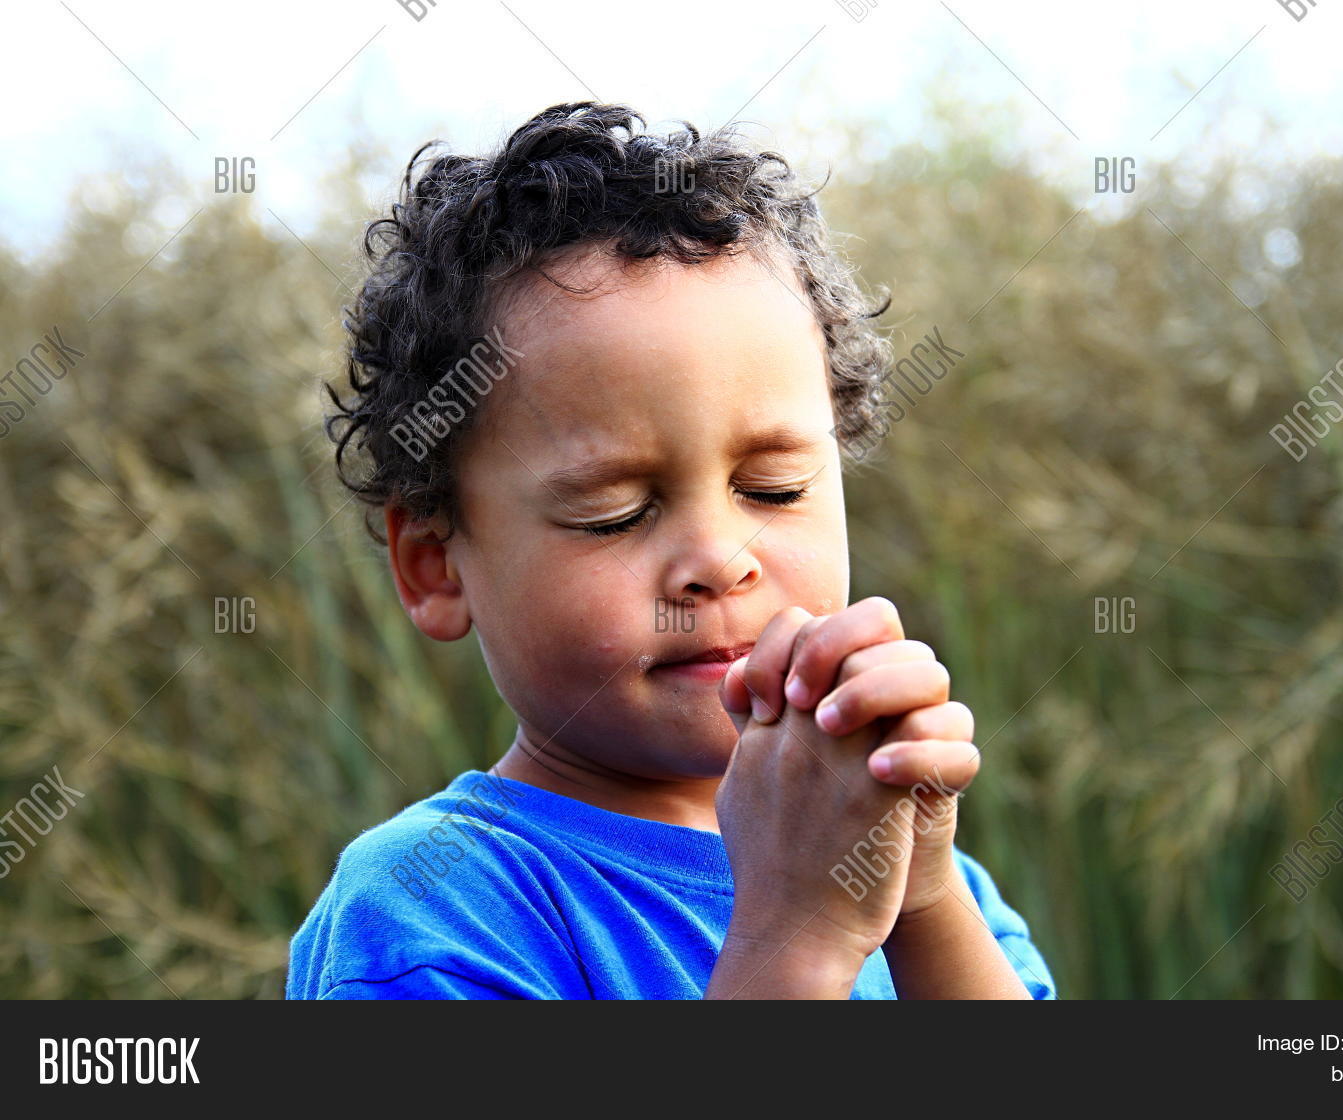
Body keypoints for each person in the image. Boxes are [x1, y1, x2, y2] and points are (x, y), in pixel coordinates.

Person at [287, 101, 1056, 999]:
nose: (720, 560)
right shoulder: (434, 912)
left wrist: (921, 896)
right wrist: (797, 937)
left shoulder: (938, 890)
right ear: (436, 564)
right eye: (615, 512)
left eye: (773, 490)